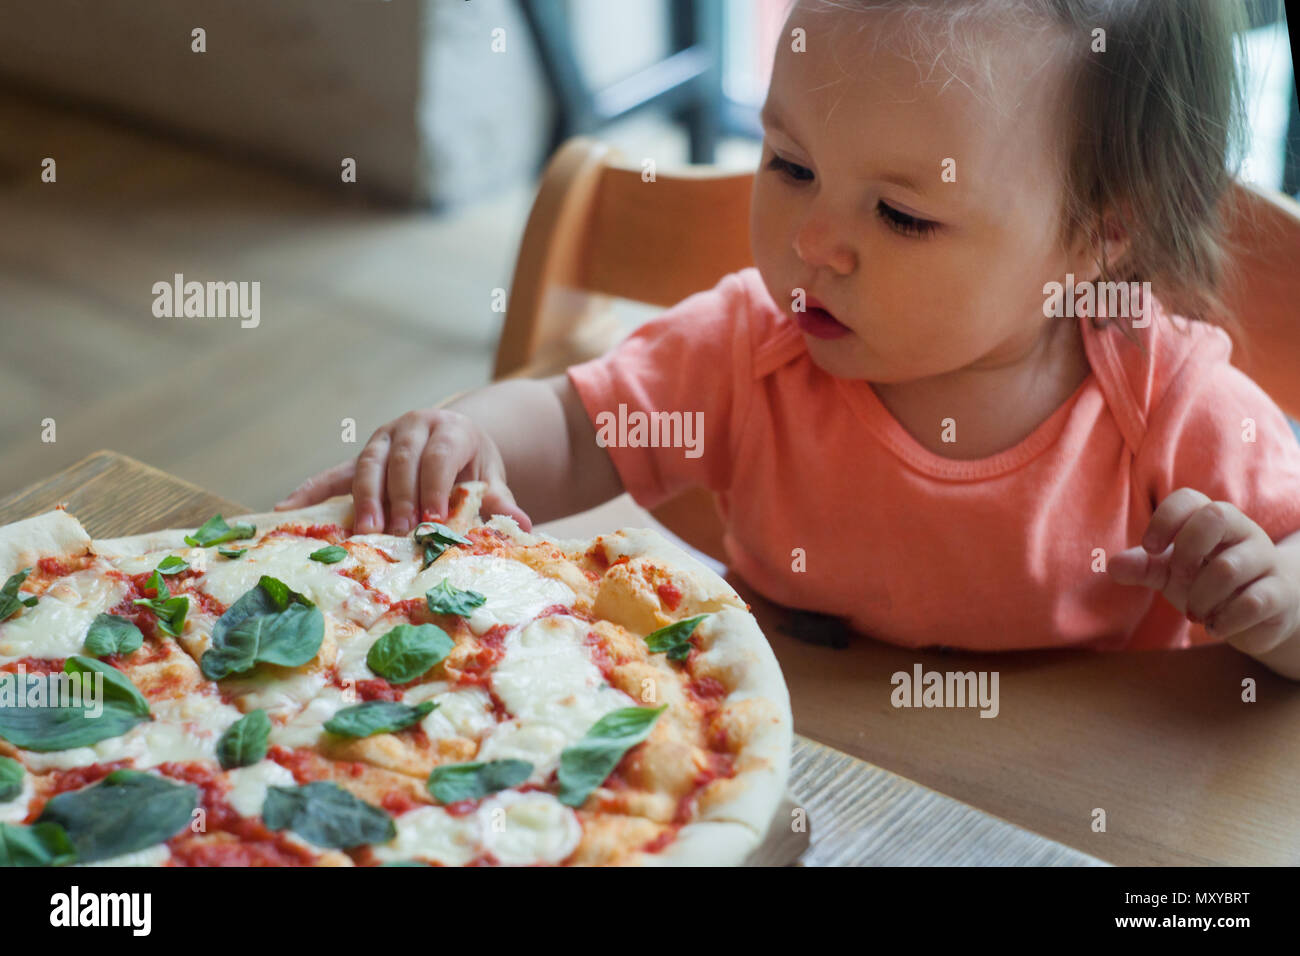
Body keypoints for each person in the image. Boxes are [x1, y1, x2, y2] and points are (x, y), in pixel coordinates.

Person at [278, 0, 1300, 678]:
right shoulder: (747, 348)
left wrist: (1269, 599)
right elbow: (576, 425)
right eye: (788, 163)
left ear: (1094, 238)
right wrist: (468, 444)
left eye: (900, 215)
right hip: (783, 755)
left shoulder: (1163, 404)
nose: (812, 241)